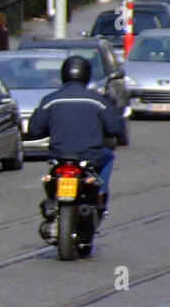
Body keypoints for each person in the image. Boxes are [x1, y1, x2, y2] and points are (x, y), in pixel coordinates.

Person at [26, 55, 125, 211]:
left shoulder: (50, 100)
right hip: (90, 157)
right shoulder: (97, 100)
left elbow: (34, 130)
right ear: (86, 75)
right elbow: (116, 129)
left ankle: (52, 198)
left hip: (59, 156)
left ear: (63, 75)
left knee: (51, 176)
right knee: (108, 157)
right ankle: (101, 194)